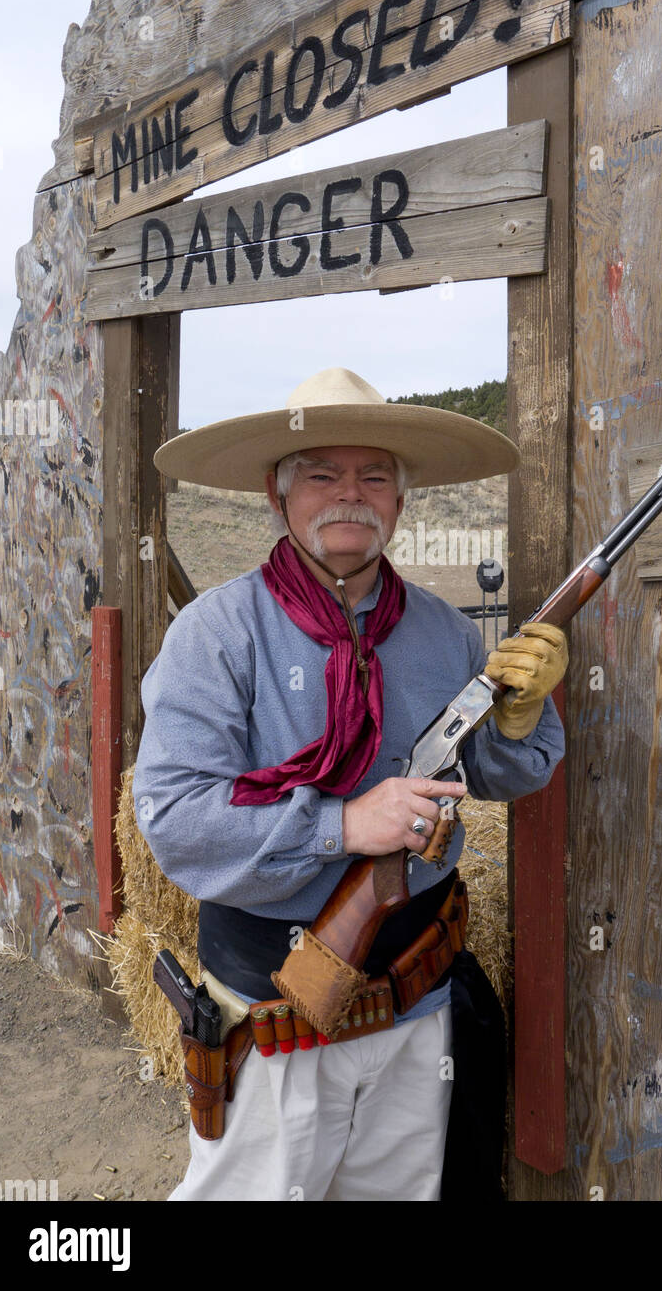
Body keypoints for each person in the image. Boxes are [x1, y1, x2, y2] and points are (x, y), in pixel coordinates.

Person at [132, 367, 567, 1201]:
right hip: (277, 1012)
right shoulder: (215, 633)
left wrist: (520, 719)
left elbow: (501, 777)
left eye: (374, 476)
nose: (350, 495)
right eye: (322, 475)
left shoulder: (444, 633)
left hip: (416, 1004)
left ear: (400, 502)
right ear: (278, 494)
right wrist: (342, 827)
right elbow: (177, 819)